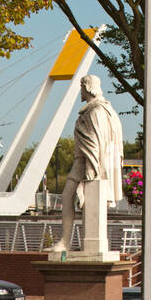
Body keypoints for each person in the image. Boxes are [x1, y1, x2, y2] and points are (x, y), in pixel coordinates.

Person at [50, 74, 124, 253]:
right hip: (86, 161)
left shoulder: (96, 111)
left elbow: (96, 142)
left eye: (81, 88)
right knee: (69, 196)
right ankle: (66, 241)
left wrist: (92, 170)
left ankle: (67, 242)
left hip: (87, 162)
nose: (80, 92)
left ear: (88, 88)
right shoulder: (104, 110)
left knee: (69, 195)